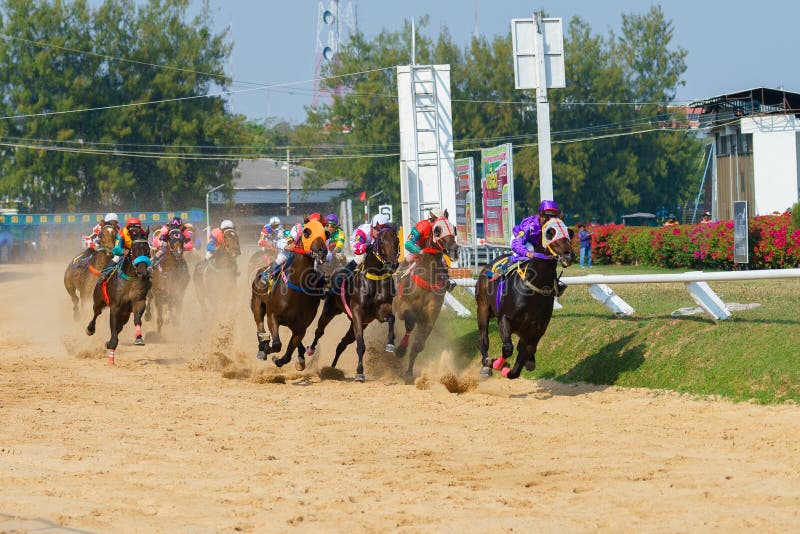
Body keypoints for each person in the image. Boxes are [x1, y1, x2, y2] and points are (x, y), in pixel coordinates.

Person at [495, 199, 566, 295]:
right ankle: (503, 268)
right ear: (540, 215)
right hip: (521, 240)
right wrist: (527, 253)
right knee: (531, 251)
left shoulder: (552, 227)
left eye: (552, 217)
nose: (549, 220)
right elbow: (517, 243)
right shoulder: (530, 225)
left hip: (536, 244)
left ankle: (555, 283)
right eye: (546, 216)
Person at [403, 208, 456, 291]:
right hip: (418, 248)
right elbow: (408, 244)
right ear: (432, 219)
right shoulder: (422, 227)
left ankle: (447, 281)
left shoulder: (439, 230)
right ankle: (401, 281)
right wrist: (420, 251)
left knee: (443, 261)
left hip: (432, 251)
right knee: (407, 260)